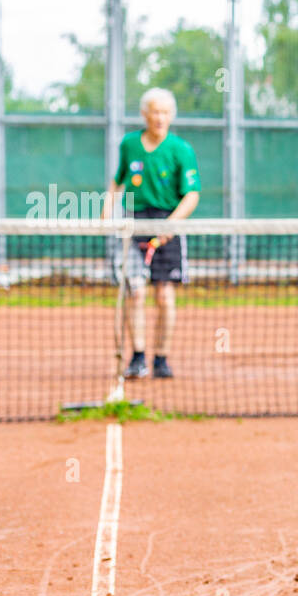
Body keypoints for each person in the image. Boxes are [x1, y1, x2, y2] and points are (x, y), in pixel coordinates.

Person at [101, 87, 201, 379]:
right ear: (145, 114)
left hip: (168, 222)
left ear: (172, 116)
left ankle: (161, 359)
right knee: (136, 293)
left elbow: (191, 195)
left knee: (164, 296)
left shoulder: (182, 150)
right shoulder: (129, 144)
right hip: (134, 222)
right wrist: (106, 212)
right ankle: (138, 356)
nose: (160, 117)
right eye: (155, 111)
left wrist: (169, 225)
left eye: (165, 112)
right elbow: (116, 182)